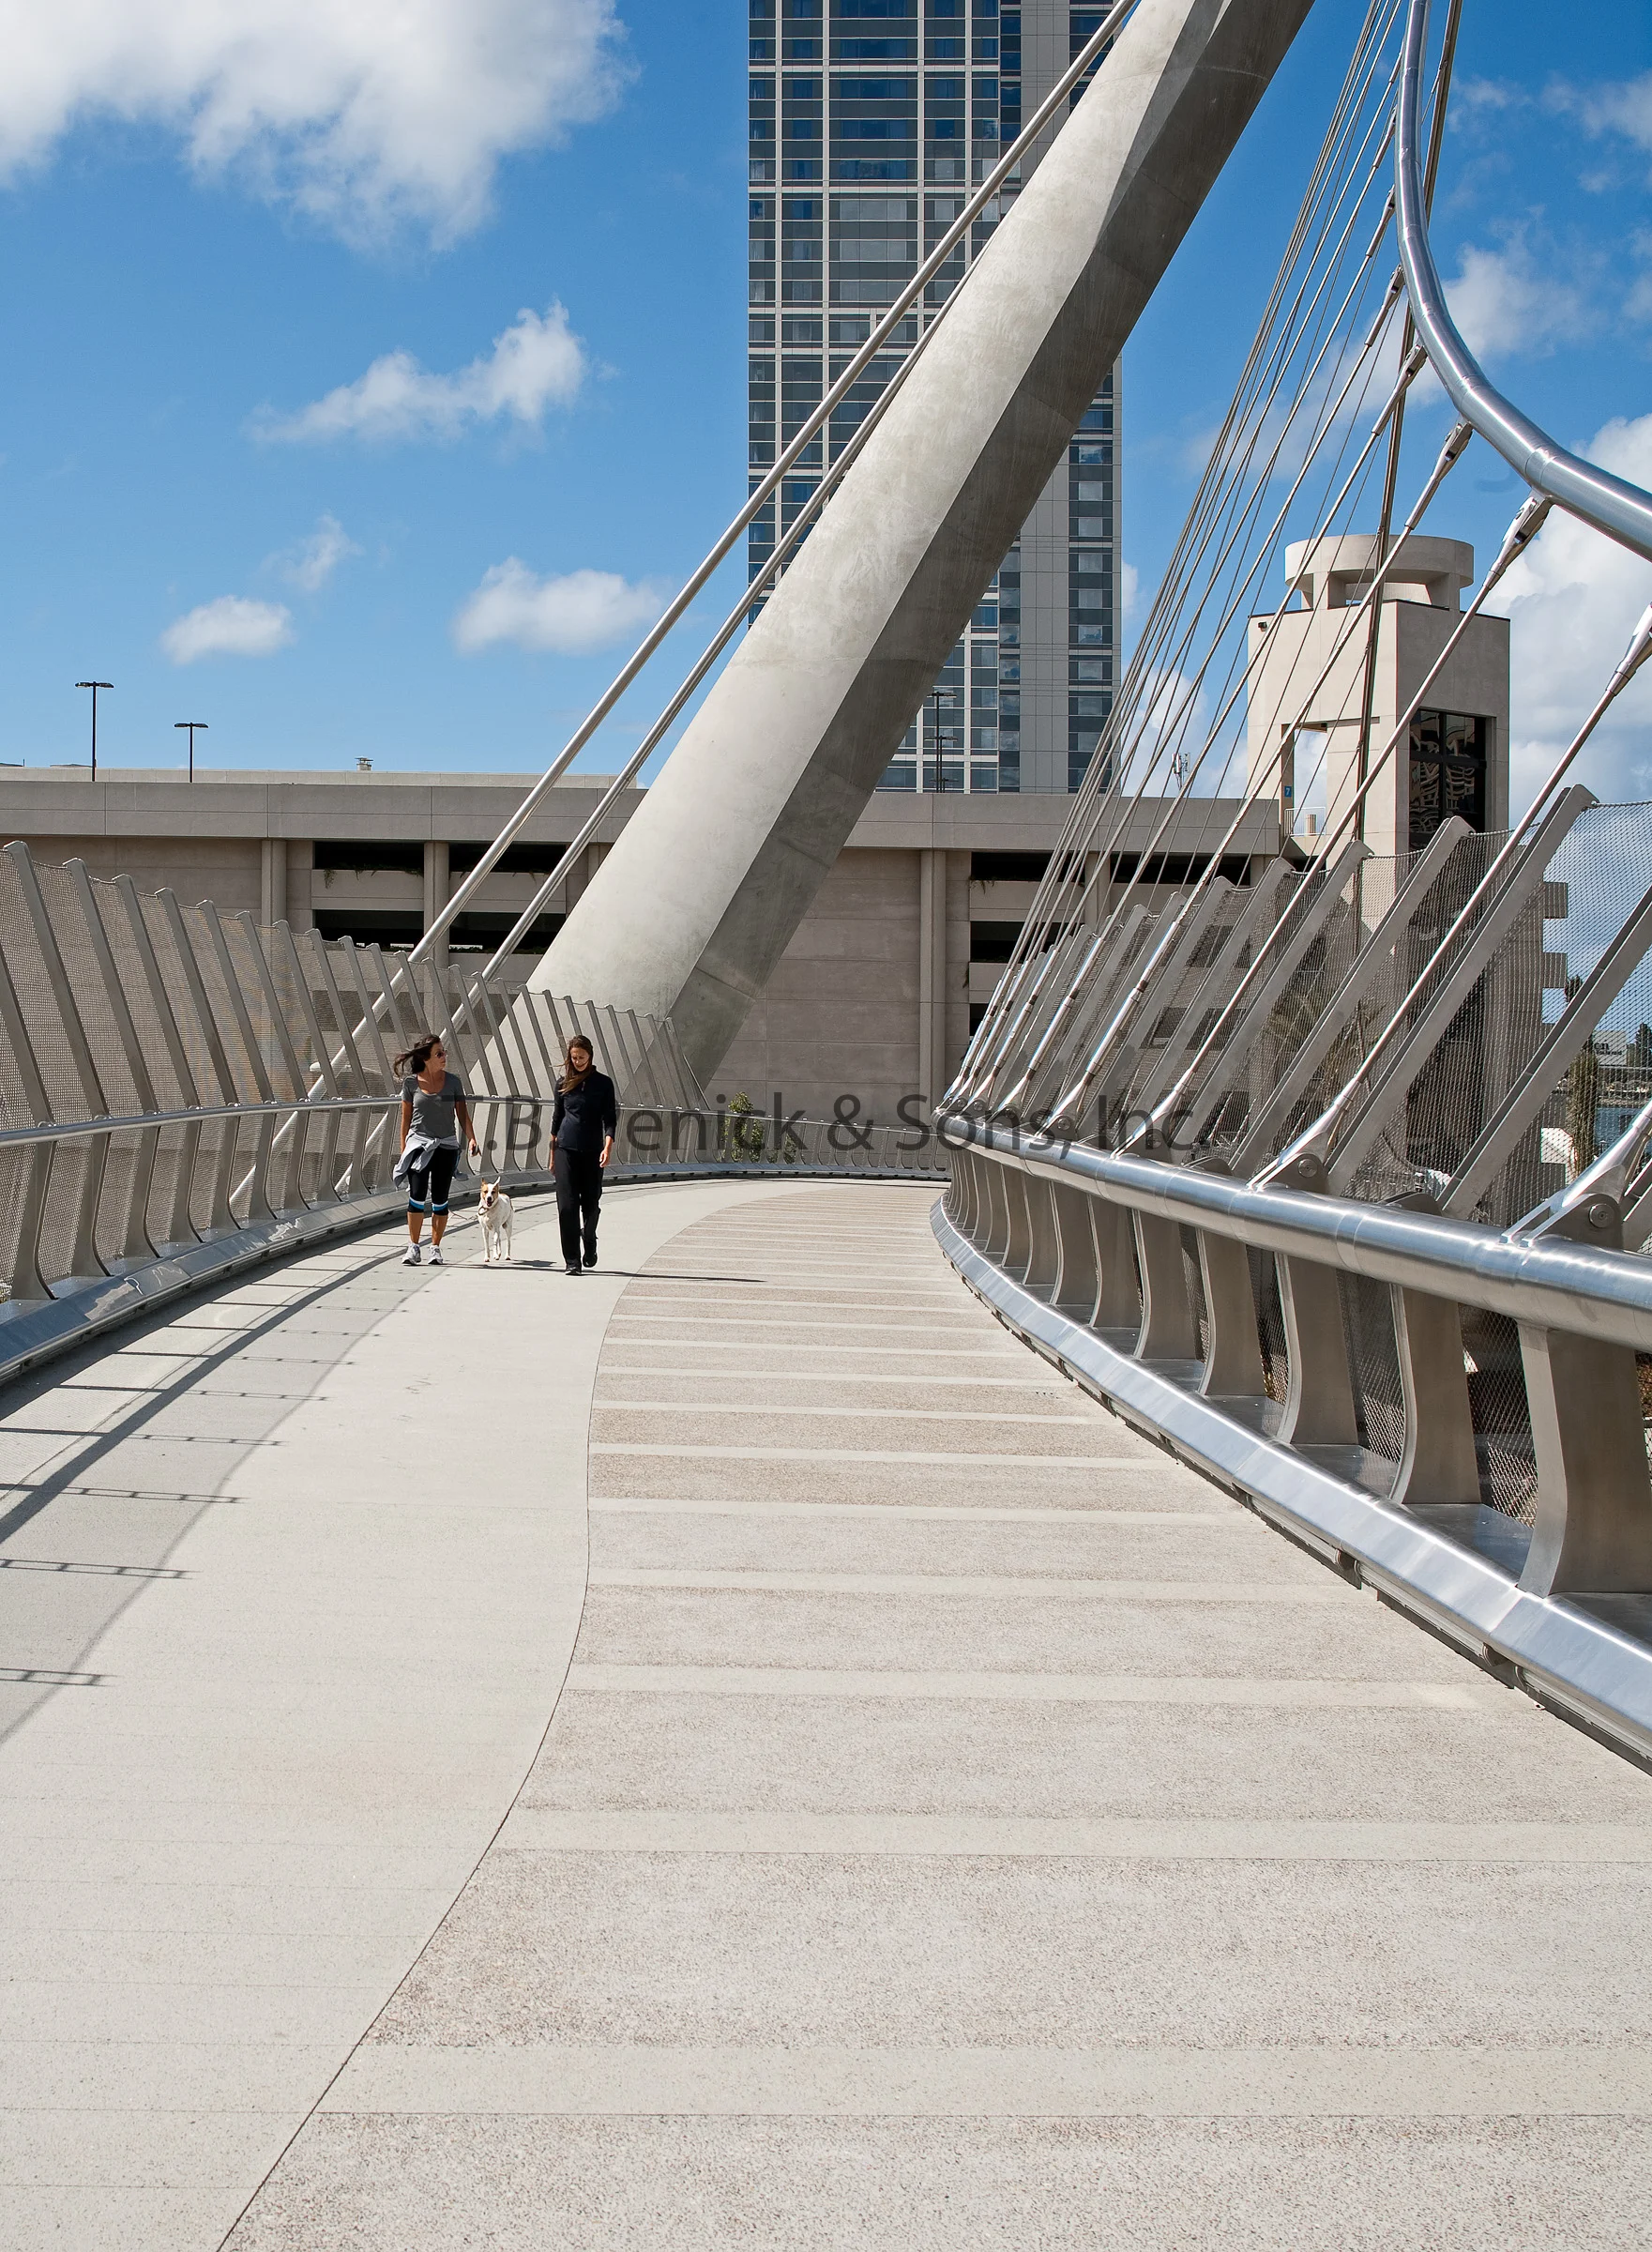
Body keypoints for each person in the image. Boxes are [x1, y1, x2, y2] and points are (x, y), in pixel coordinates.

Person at [394, 1034, 478, 1268]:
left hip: (446, 1146)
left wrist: (471, 1139)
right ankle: (413, 1246)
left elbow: (462, 1115)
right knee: (417, 1196)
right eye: (439, 1053)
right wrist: (404, 1151)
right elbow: (405, 1120)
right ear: (426, 1058)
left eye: (444, 1052)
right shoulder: (411, 1084)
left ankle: (435, 1247)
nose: (444, 1057)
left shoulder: (453, 1082)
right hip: (419, 1145)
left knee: (440, 1199)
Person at [551, 1034, 616, 1275]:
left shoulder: (603, 1083)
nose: (577, 1061)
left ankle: (589, 1239)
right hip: (565, 1150)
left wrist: (607, 1147)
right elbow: (556, 1120)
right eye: (574, 1057)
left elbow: (610, 1119)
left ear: (590, 1056)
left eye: (581, 1057)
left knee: (591, 1204)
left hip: (592, 1151)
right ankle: (572, 1261)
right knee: (567, 1207)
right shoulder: (562, 1083)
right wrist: (552, 1155)